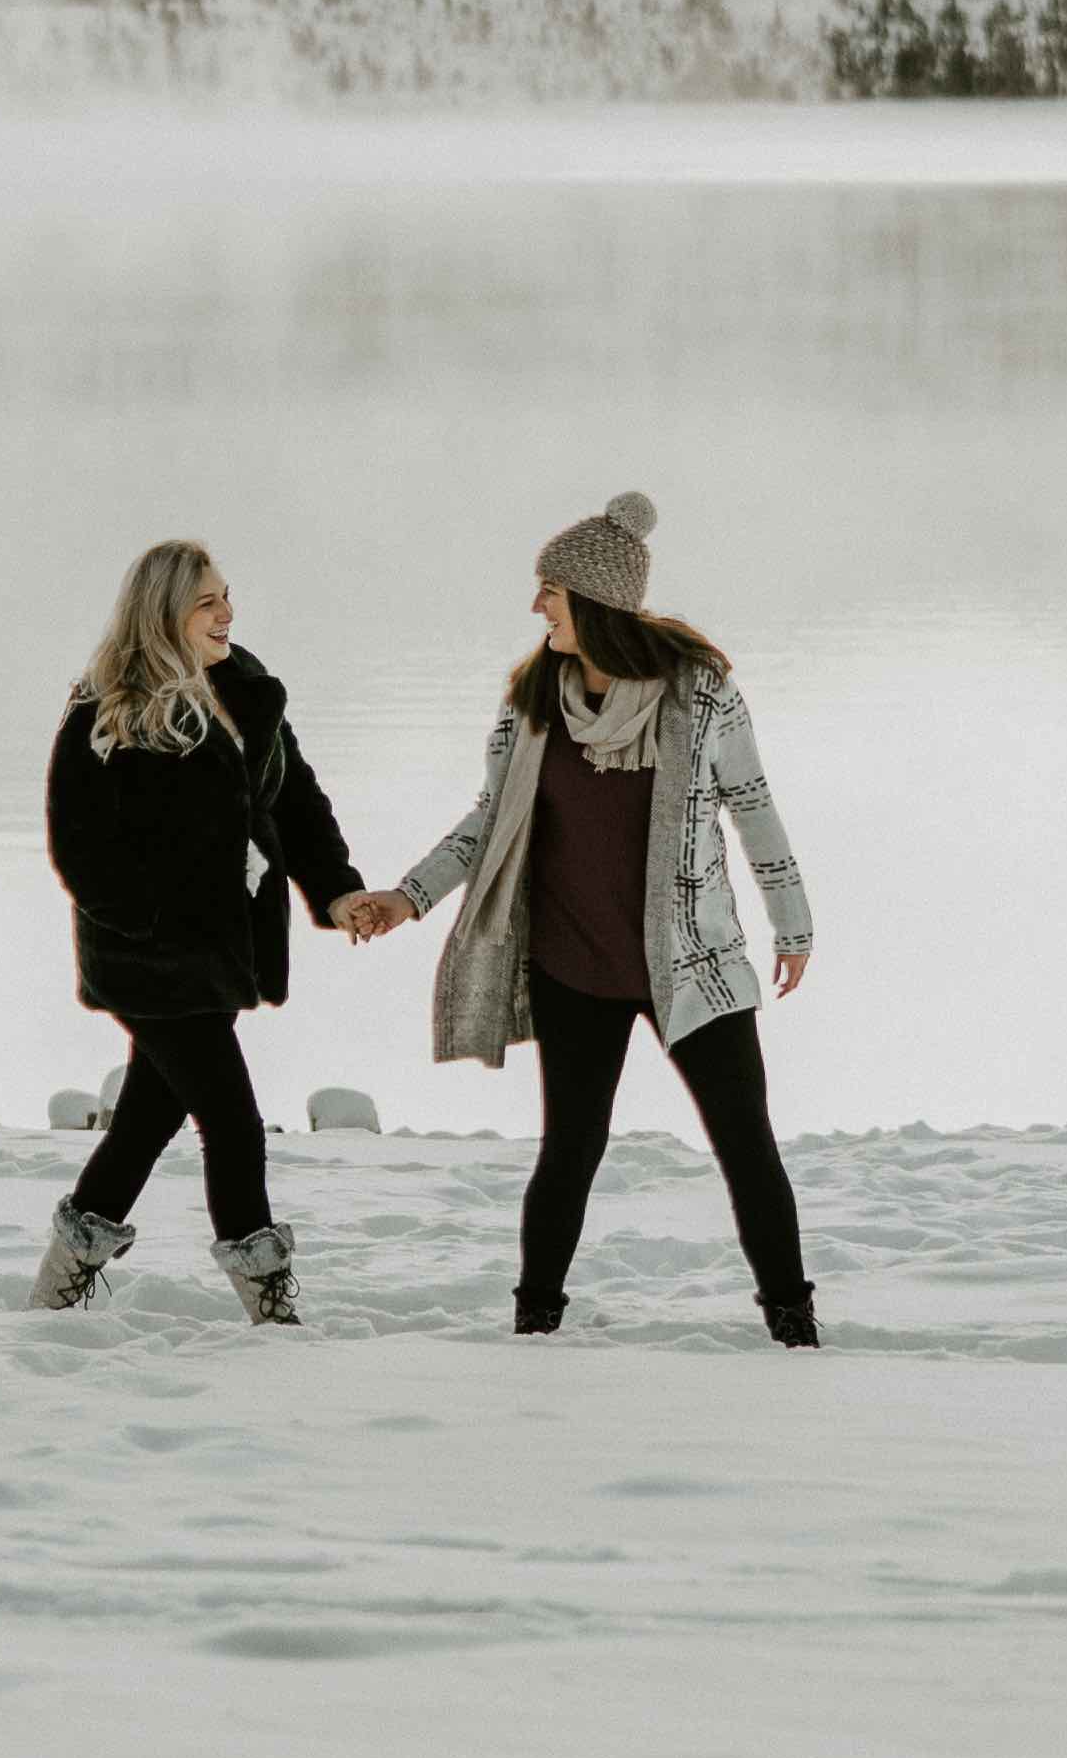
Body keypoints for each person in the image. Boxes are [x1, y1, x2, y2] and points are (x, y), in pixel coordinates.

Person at [339, 491, 820, 1345]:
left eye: (551, 593)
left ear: (595, 601)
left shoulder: (699, 693)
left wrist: (793, 925)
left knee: (746, 1146)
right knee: (570, 1150)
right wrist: (407, 897)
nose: (536, 608)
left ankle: (793, 1323)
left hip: (695, 964)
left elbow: (753, 805)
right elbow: (488, 821)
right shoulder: (534, 698)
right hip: (574, 967)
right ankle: (535, 1323)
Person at [33, 537, 363, 1325]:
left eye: (227, 596)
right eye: (206, 601)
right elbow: (76, 843)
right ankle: (270, 1308)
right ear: (162, 613)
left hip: (218, 950)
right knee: (234, 1124)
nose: (227, 613)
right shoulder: (108, 708)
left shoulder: (245, 688)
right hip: (145, 960)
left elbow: (294, 800)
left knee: (146, 1121)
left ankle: (55, 1294)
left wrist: (338, 892)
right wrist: (147, 923)